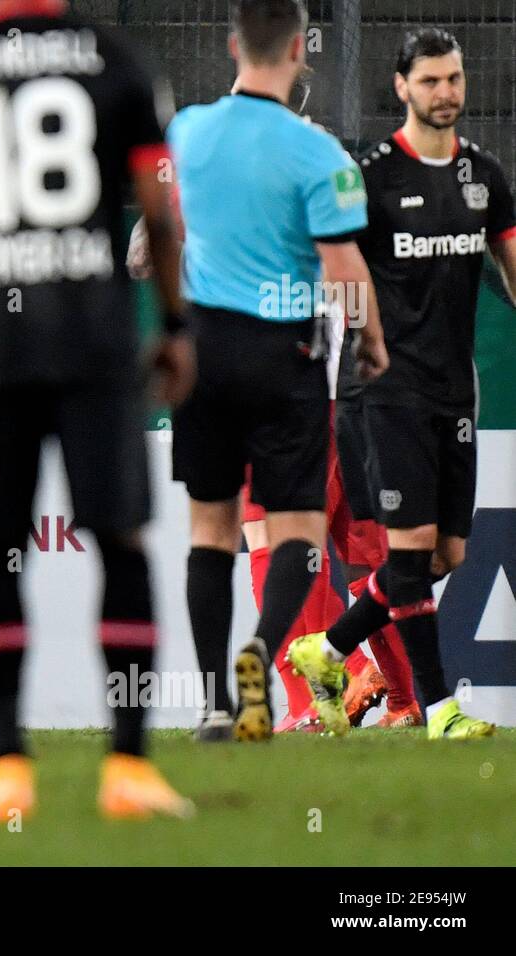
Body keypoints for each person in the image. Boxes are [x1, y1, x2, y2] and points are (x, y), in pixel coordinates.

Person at [0, 0, 195, 822]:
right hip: (94, 341)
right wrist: (172, 324)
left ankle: (6, 767)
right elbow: (158, 208)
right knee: (120, 545)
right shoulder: (116, 59)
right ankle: (129, 766)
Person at [167, 0, 388, 742]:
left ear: (233, 45)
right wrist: (370, 340)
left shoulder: (188, 134)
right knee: (296, 532)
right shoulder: (319, 153)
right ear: (300, 48)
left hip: (204, 348)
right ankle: (262, 652)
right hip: (287, 352)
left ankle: (211, 703)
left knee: (212, 531)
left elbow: (156, 237)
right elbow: (344, 268)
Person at [289, 28, 516, 738]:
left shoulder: (484, 174)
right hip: (382, 391)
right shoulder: (372, 177)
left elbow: (509, 259)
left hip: (455, 392)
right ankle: (441, 707)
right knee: (408, 547)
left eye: (453, 80)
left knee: (446, 556)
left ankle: (325, 650)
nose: (444, 93)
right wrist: (367, 342)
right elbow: (338, 263)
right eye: (429, 81)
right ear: (401, 87)